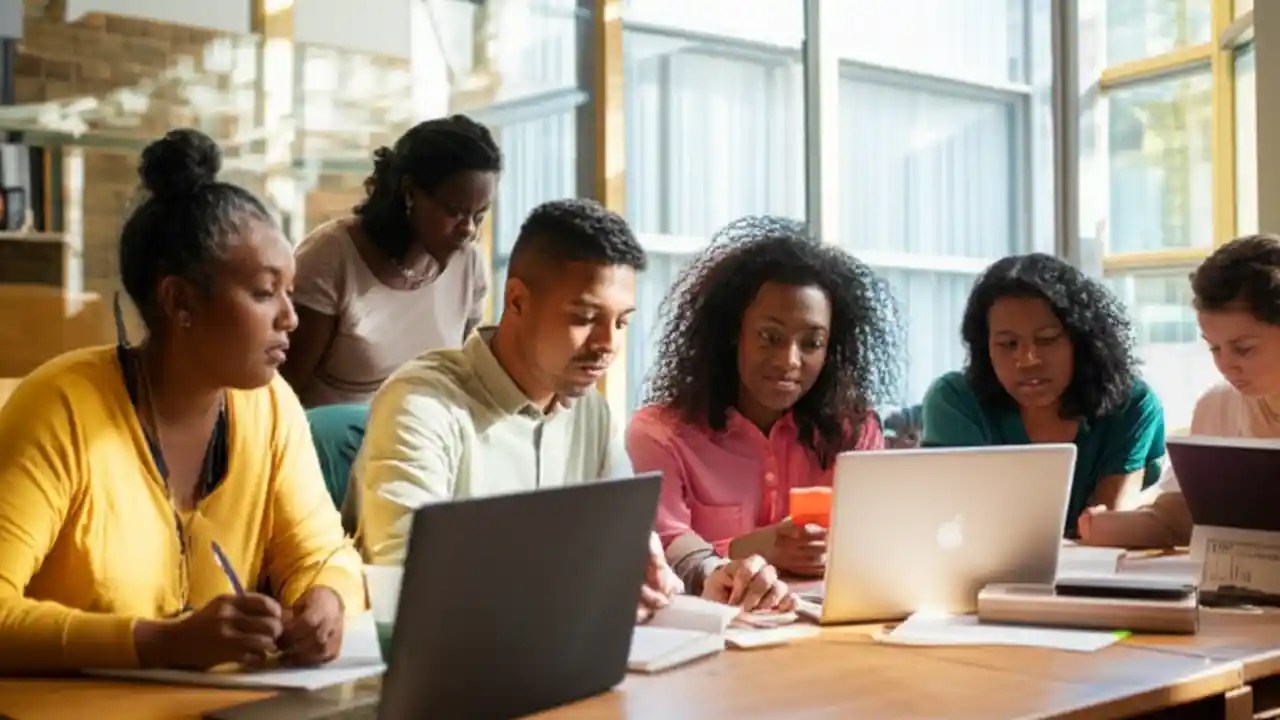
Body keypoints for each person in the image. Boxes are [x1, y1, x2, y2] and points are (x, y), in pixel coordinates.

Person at [0, 129, 364, 674]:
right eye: (266, 293)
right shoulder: (61, 409)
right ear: (180, 301)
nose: (290, 317)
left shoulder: (269, 409)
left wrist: (326, 600)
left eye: (290, 291)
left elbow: (324, 556)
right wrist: (156, 643)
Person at [352, 199, 793, 614]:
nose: (607, 345)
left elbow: (630, 545)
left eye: (621, 322)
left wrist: (703, 577)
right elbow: (405, 575)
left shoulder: (591, 415)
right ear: (518, 301)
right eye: (584, 318)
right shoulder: (422, 404)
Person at [627, 217, 903, 580]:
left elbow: (879, 541)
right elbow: (667, 548)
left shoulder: (856, 432)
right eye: (770, 337)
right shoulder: (660, 434)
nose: (789, 361)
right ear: (732, 334)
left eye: (811, 344)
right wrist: (760, 548)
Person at [922, 253, 1166, 537]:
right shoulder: (955, 401)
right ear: (985, 348)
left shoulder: (1131, 404)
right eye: (1008, 344)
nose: (1027, 359)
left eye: (1047, 340)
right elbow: (965, 527)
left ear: (1081, 340)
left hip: (1091, 577)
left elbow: (1107, 524)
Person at [281, 114, 502, 408]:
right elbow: (283, 394)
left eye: (479, 215)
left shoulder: (468, 263)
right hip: (334, 445)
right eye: (455, 211)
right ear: (410, 193)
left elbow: (464, 376)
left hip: (426, 439)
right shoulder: (331, 259)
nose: (469, 229)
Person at [1079, 235, 1280, 548]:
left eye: (1243, 349)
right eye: (1214, 347)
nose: (1226, 365)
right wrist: (1106, 527)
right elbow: (1179, 521)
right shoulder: (1218, 406)